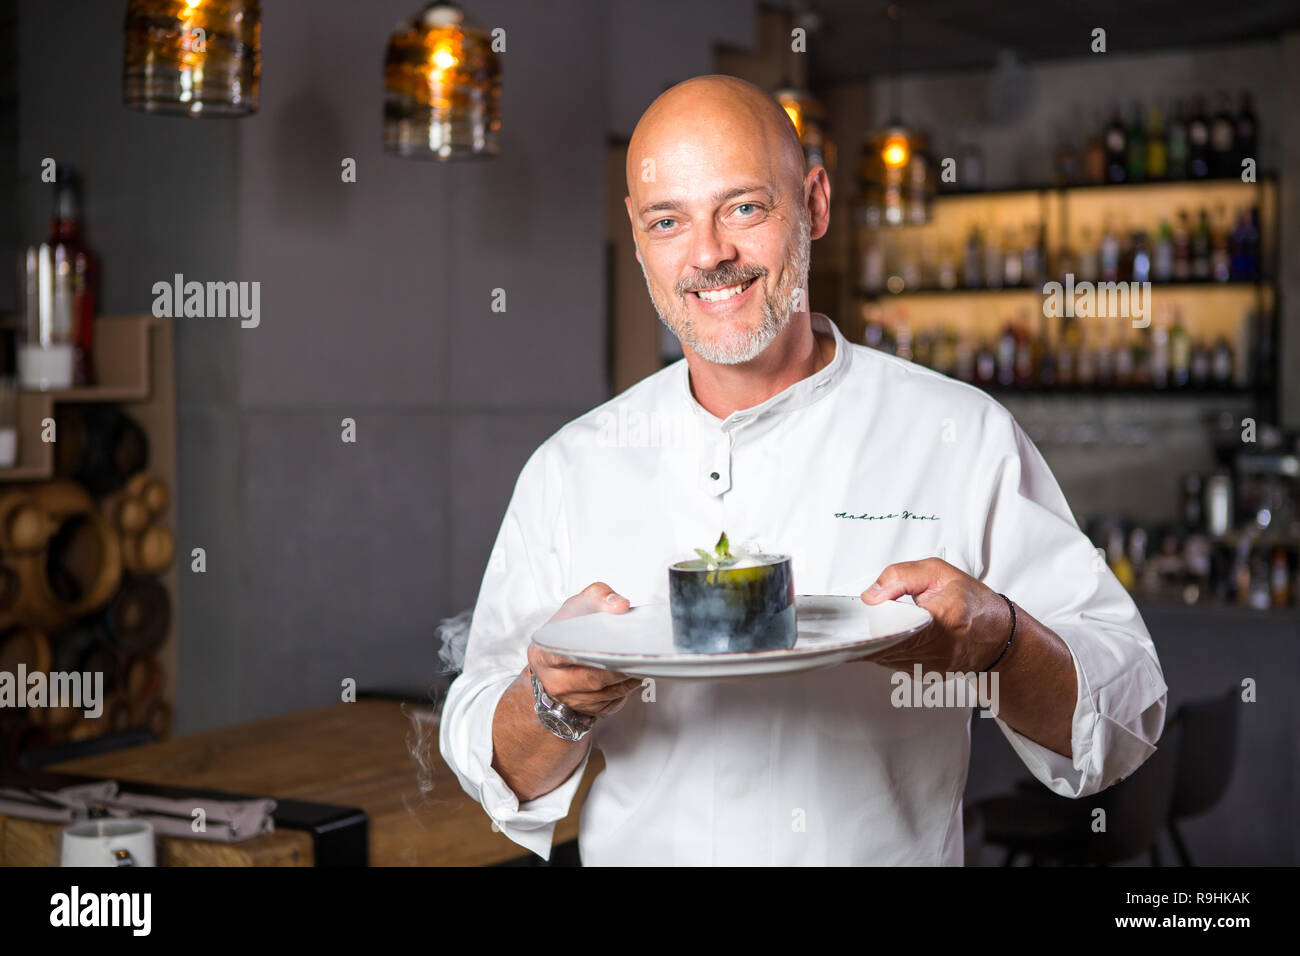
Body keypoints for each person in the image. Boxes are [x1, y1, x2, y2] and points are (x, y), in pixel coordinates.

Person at [439, 75, 1167, 865]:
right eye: (668, 220)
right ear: (638, 236)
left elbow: (1122, 722)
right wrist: (553, 704)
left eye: (745, 207)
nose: (710, 253)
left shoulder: (958, 432)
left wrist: (1002, 645)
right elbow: (494, 765)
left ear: (814, 205)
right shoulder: (570, 467)